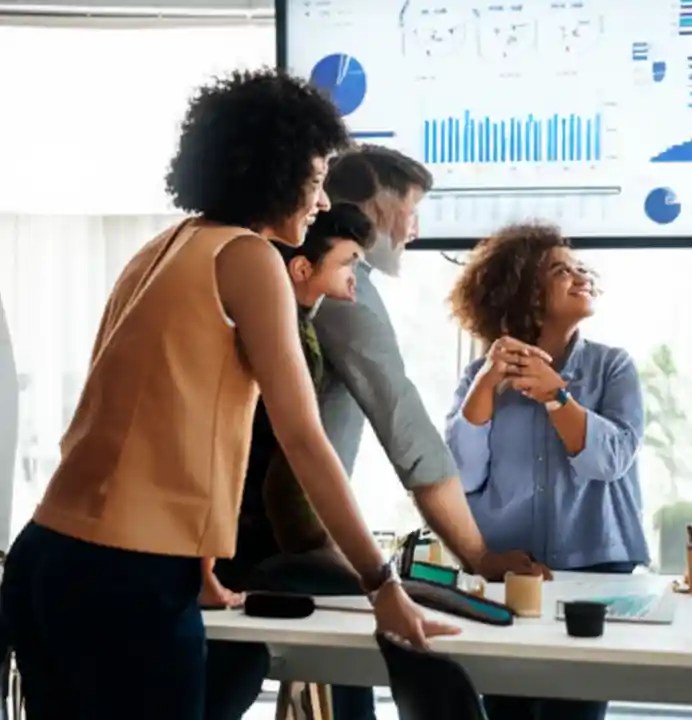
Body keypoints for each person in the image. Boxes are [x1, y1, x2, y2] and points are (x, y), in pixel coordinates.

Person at [0, 68, 457, 720]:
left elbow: (153, 412)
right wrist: (381, 583)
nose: (324, 201)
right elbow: (303, 439)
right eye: (315, 176)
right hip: (126, 577)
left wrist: (204, 562)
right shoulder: (250, 260)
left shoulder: (165, 246)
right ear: (270, 168)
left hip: (49, 557)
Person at [445, 221, 649, 720]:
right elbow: (459, 475)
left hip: (599, 573)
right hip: (509, 572)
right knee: (508, 709)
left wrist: (558, 396)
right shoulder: (478, 377)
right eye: (562, 270)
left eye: (582, 268)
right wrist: (488, 384)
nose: (581, 276)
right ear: (526, 293)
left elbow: (611, 461)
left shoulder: (613, 368)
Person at [314, 145, 545, 582]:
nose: (415, 229)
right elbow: (407, 431)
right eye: (410, 209)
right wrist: (480, 557)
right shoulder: (344, 293)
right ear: (377, 206)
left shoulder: (333, 282)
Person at [199, 202, 376, 611]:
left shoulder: (278, 326)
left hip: (225, 537)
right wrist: (332, 551)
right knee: (369, 601)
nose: (356, 277)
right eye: (348, 263)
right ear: (302, 270)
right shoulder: (295, 340)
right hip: (255, 546)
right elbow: (290, 465)